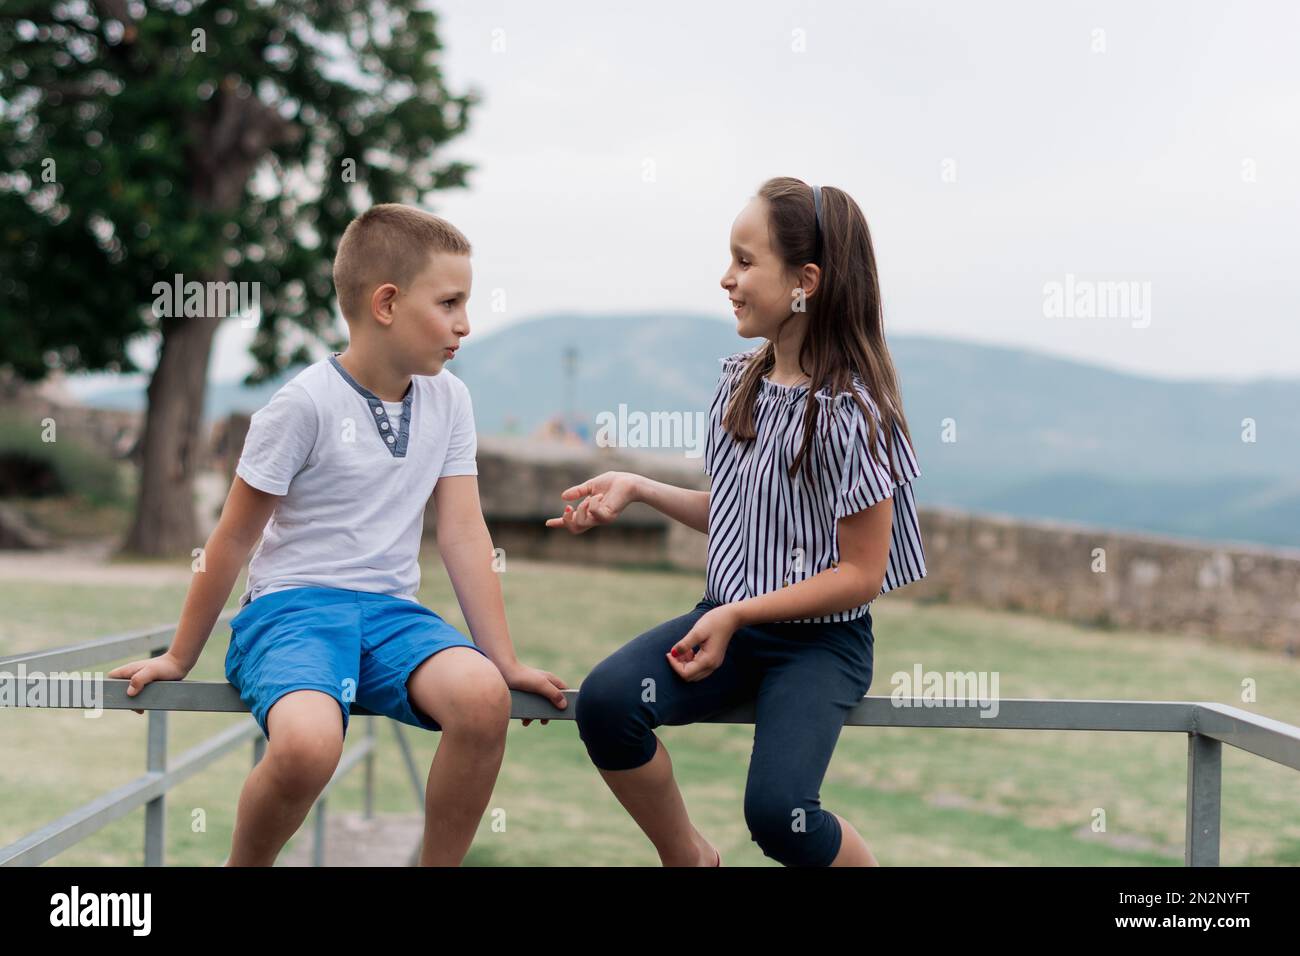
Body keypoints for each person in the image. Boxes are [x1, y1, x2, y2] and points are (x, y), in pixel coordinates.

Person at [110, 203, 568, 866]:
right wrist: (180, 657)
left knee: (482, 698)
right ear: (386, 303)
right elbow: (233, 540)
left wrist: (505, 659)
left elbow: (464, 533)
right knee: (307, 747)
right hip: (291, 613)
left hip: (391, 616)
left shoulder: (450, 401)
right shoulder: (301, 406)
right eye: (449, 303)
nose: (465, 325)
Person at [547, 177, 926, 866]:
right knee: (605, 705)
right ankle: (687, 855)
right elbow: (737, 516)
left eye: (746, 261)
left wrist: (737, 616)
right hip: (728, 624)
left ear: (805, 281)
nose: (727, 278)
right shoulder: (739, 382)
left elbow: (862, 574)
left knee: (780, 816)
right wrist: (637, 488)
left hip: (819, 647)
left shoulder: (854, 412)